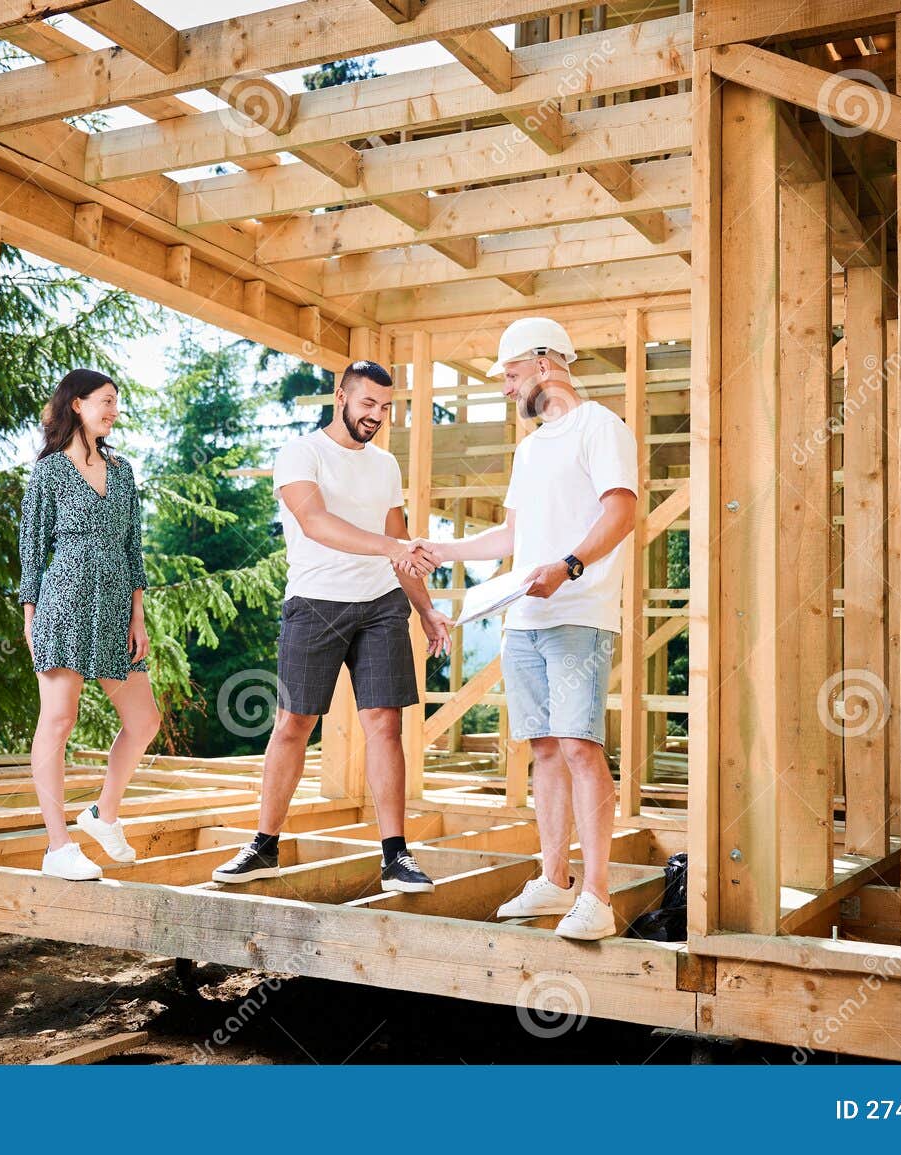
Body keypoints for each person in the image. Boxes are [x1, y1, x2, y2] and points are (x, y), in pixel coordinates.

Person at [403, 318, 638, 940]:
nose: (507, 388)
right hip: (524, 615)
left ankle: (597, 896)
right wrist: (442, 548)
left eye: (510, 375)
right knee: (542, 749)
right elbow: (510, 537)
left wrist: (568, 567)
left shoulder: (601, 427)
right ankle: (554, 881)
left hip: (576, 612)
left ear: (542, 362)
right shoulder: (531, 447)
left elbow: (622, 510)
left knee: (580, 746)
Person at [212, 360, 452, 893]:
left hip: (381, 604)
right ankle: (263, 845)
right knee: (294, 723)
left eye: (386, 408)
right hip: (315, 604)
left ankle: (396, 856)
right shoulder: (302, 453)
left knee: (384, 726)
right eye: (368, 404)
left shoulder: (385, 465)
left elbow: (399, 541)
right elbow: (315, 523)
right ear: (340, 395)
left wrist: (425, 608)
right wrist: (394, 546)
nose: (376, 416)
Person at [18, 368, 162, 881]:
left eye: (116, 403)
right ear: (76, 405)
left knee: (145, 721)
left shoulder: (122, 472)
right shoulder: (50, 472)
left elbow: (132, 548)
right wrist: (31, 618)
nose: (113, 410)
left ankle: (103, 813)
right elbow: (32, 549)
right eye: (105, 401)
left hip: (115, 607)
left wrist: (137, 615)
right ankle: (58, 845)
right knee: (57, 720)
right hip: (62, 604)